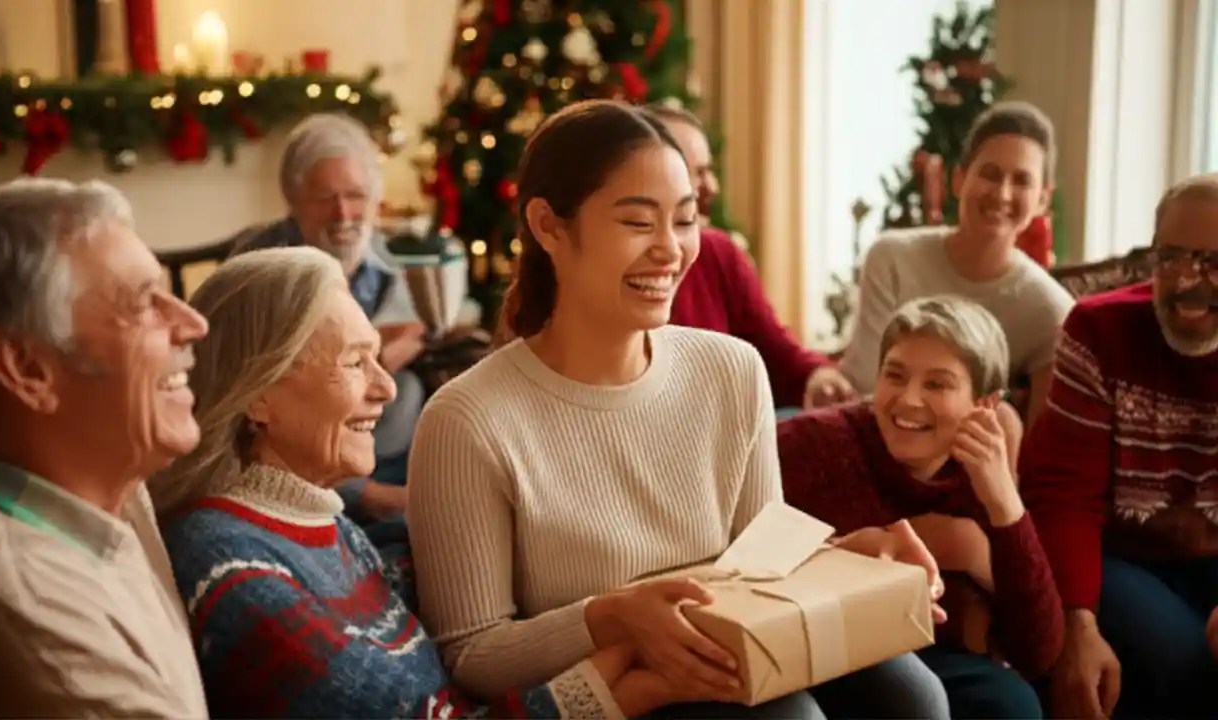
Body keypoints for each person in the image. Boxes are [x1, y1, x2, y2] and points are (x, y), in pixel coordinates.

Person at [407, 100, 948, 719]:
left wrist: (847, 556)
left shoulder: (732, 369)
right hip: (622, 691)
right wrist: (610, 616)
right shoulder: (468, 420)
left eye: (685, 220)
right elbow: (473, 655)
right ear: (549, 226)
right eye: (638, 223)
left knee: (913, 693)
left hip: (729, 648)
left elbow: (761, 564)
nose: (671, 250)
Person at [151, 246, 694, 718]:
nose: (386, 388)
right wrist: (625, 666)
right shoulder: (232, 569)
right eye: (355, 362)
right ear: (258, 396)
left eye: (376, 357)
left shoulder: (317, 525)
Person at [0, 179, 209, 717]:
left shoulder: (106, 489)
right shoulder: (29, 611)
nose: (193, 323)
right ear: (28, 368)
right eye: (142, 302)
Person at [780, 295, 1064, 718]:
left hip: (933, 654)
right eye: (894, 376)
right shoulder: (813, 444)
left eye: (937, 384)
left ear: (984, 404)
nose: (908, 400)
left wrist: (1003, 506)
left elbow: (1039, 652)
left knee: (1011, 704)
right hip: (822, 648)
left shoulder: (985, 467)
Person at [1022, 173, 1218, 719]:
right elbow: (1062, 493)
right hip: (1122, 555)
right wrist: (1077, 623)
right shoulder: (1098, 331)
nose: (1187, 282)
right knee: (1184, 665)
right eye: (1171, 257)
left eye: (1212, 262)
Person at [225, 113, 419, 522]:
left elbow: (428, 319)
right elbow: (244, 397)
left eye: (355, 195)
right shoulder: (264, 268)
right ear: (293, 202)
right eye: (326, 198)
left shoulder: (381, 259)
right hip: (299, 458)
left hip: (374, 443)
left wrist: (411, 337)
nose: (344, 213)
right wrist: (369, 493)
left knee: (412, 388)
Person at [840, 101, 1074, 425]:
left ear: (1042, 200)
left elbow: (1039, 445)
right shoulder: (891, 258)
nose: (1002, 194)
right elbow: (863, 385)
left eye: (1021, 181)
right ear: (959, 180)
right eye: (990, 174)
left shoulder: (1050, 311)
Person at [644, 103, 855, 411]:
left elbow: (773, 348)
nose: (712, 187)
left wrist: (817, 375)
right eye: (699, 172)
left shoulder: (719, 251)